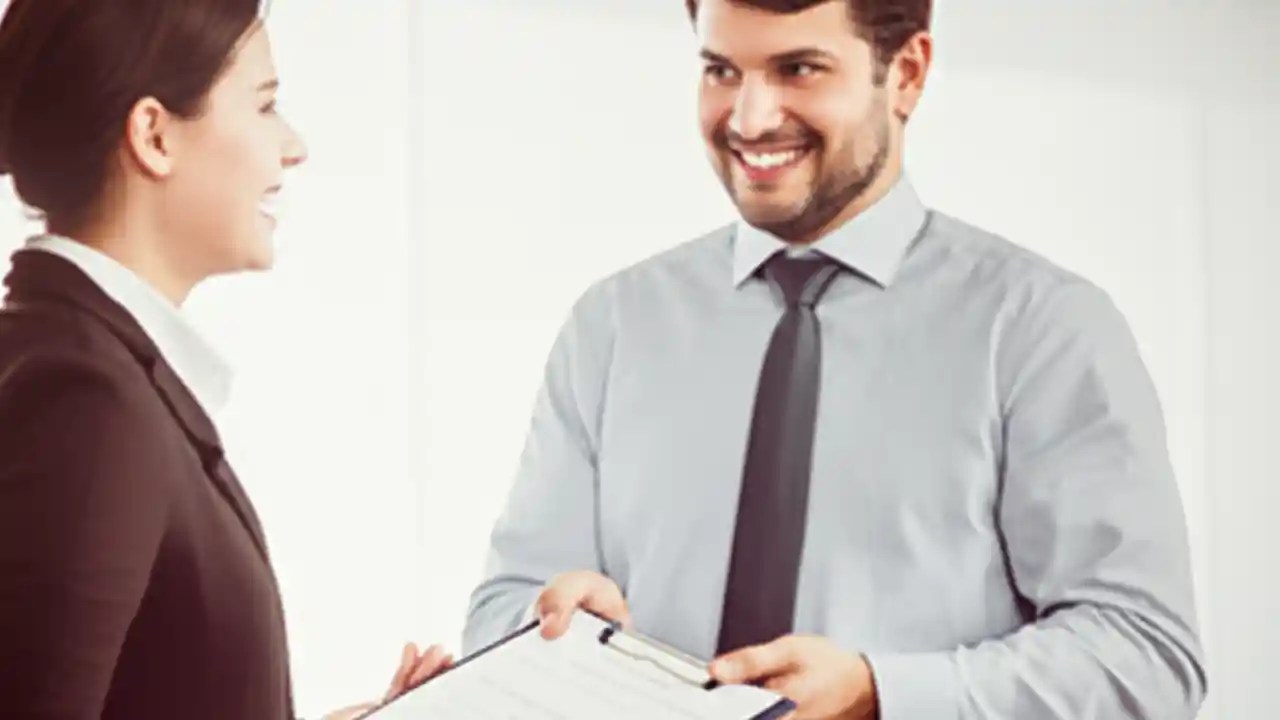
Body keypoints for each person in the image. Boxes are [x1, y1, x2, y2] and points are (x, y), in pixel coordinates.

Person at [462, 0, 1208, 718]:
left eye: (799, 69)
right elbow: (504, 608)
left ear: (907, 73)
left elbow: (1144, 659)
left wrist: (881, 695)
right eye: (722, 70)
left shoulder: (1041, 329)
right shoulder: (613, 326)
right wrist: (553, 633)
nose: (749, 118)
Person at [0, 1, 449, 718]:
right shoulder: (86, 399)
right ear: (154, 135)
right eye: (266, 105)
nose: (293, 145)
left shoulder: (81, 364)